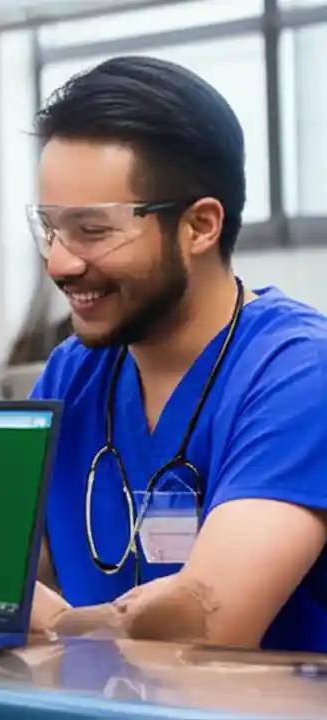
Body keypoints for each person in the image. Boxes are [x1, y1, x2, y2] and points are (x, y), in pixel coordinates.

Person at [24, 55, 327, 652]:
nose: (59, 263)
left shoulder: (299, 374)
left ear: (200, 226)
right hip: (91, 697)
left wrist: (55, 622)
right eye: (49, 229)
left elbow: (207, 628)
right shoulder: (72, 373)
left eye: (93, 231)